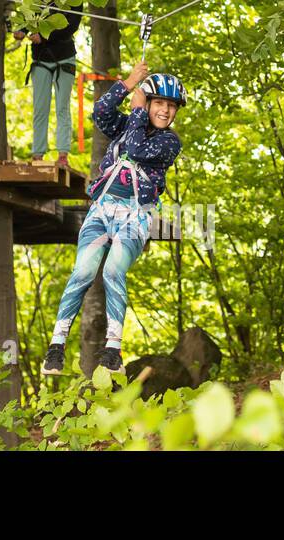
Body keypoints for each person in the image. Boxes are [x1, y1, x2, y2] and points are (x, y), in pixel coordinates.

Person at [41, 61, 187, 375]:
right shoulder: (126, 124)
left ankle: (113, 349)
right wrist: (130, 82)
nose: (165, 111)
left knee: (112, 271)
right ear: (148, 102)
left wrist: (137, 111)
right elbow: (101, 111)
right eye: (159, 103)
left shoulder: (170, 142)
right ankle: (56, 346)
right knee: (82, 271)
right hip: (102, 209)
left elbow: (136, 150)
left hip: (135, 217)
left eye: (171, 106)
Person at [14, 8, 82, 167]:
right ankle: (37, 155)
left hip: (65, 58)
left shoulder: (72, 3)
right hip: (40, 58)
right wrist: (21, 30)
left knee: (62, 107)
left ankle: (63, 155)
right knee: (40, 108)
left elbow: (71, 26)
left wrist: (44, 38)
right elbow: (28, 16)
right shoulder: (37, 2)